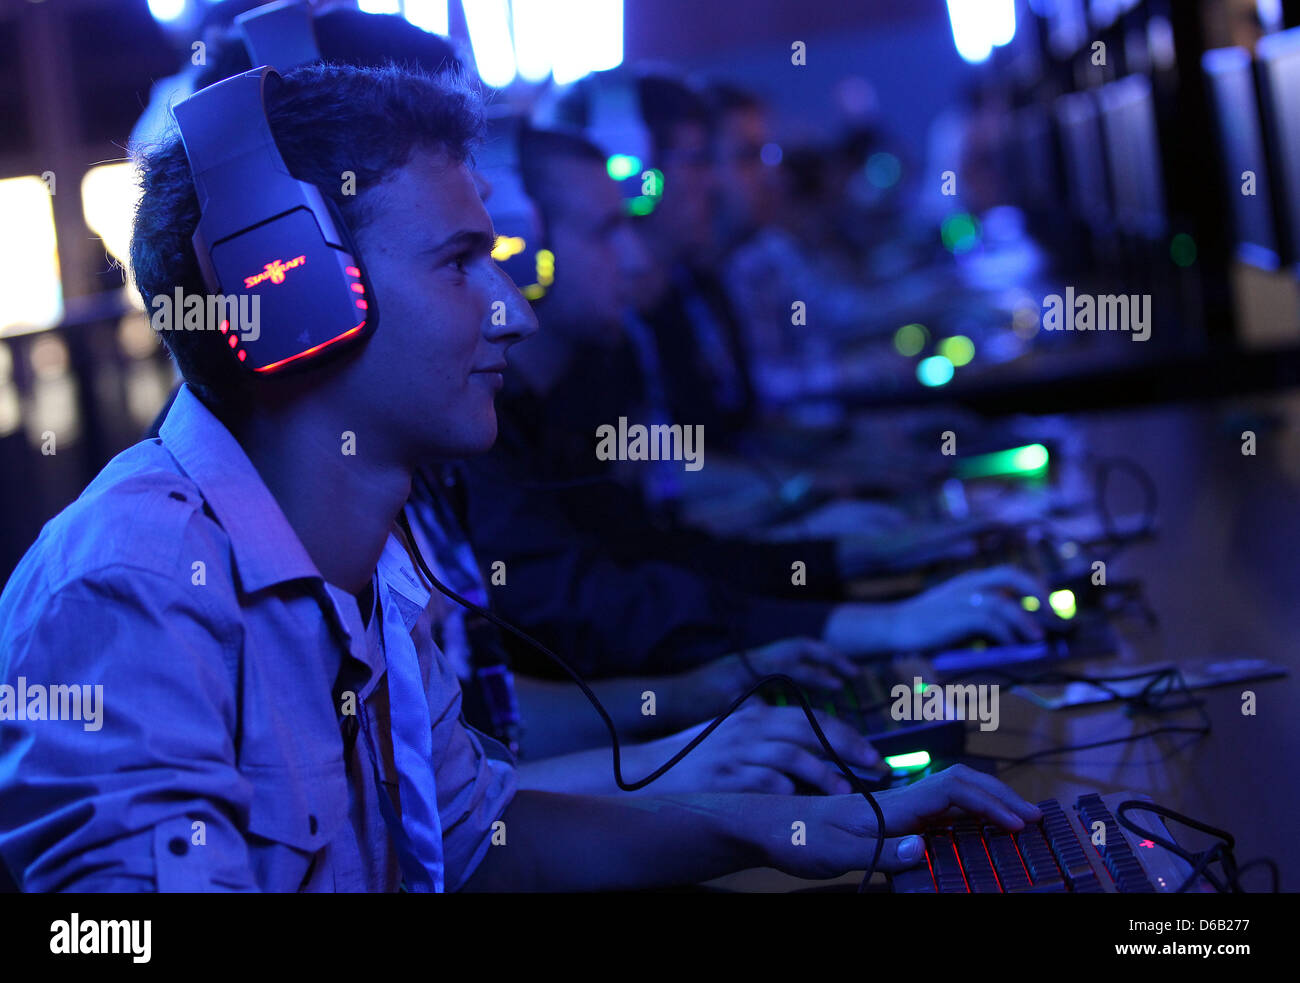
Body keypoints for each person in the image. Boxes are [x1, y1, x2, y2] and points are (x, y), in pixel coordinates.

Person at [0, 62, 1041, 892]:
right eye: (461, 262)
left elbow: (472, 841)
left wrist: (772, 825)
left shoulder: (375, 558)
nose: (515, 310)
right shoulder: (131, 596)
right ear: (295, 299)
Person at [453, 124, 1049, 681]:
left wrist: (834, 554)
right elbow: (600, 609)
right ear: (523, 250)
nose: (634, 258)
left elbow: (656, 551)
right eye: (607, 231)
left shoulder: (571, 389)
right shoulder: (481, 432)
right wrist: (875, 616)